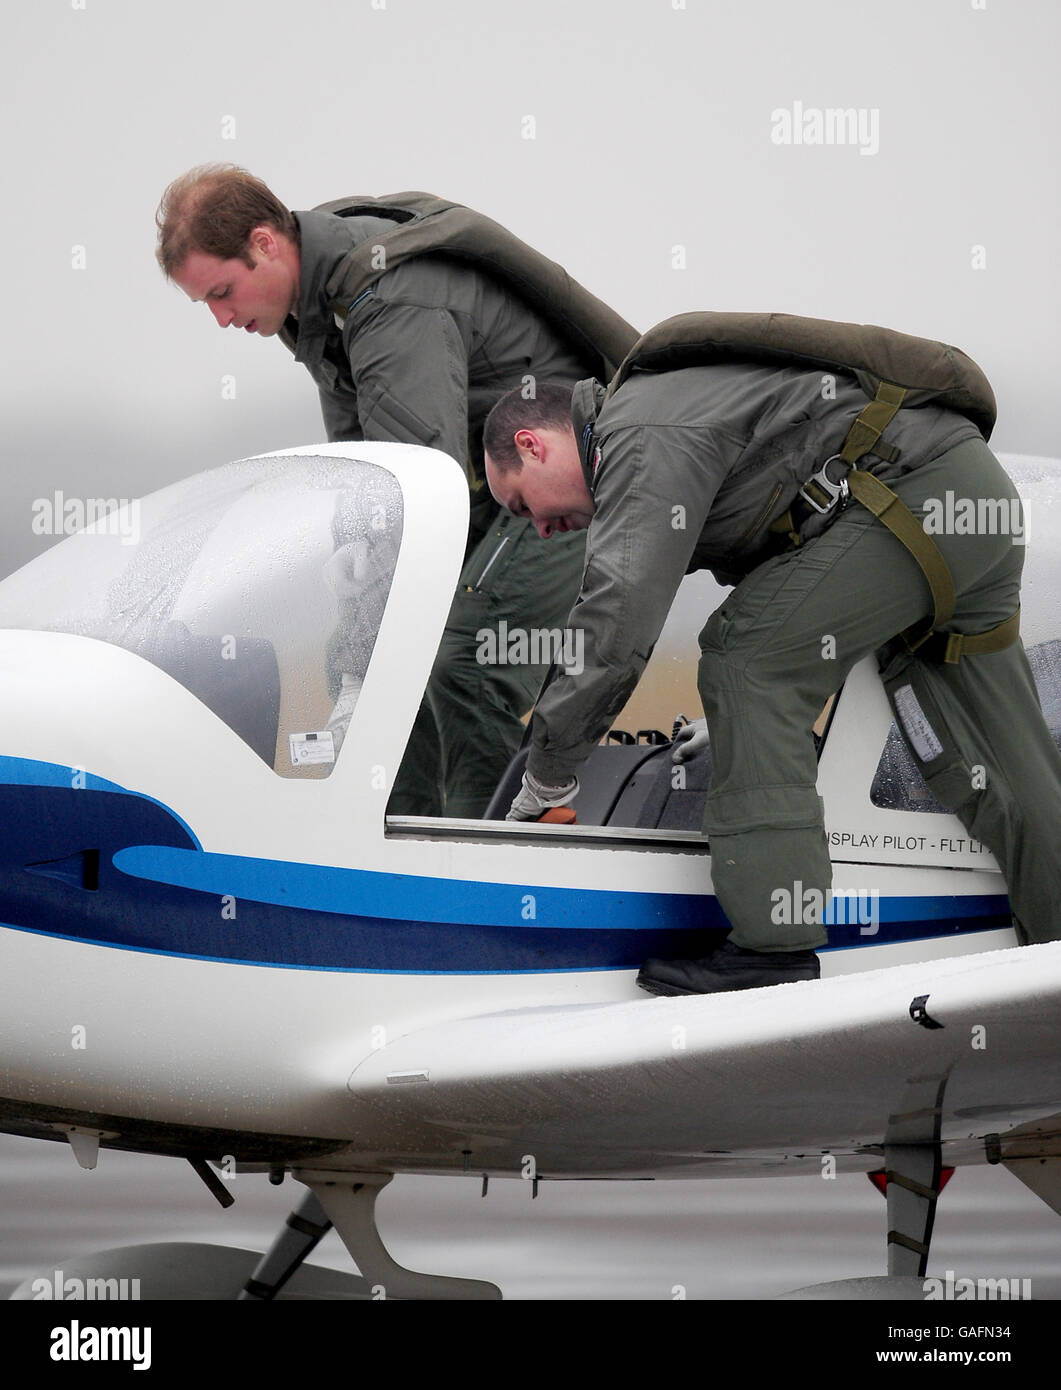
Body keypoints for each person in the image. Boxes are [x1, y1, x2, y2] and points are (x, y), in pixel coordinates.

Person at [482, 341, 1061, 994]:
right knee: (1006, 769)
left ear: (532, 445)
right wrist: (732, 729)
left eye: (521, 505)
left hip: (912, 497)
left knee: (744, 661)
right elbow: (805, 599)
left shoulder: (637, 436)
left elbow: (616, 623)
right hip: (965, 500)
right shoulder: (661, 423)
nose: (540, 530)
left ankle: (771, 947)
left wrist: (549, 776)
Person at [155, 165, 636, 816]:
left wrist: (365, 638)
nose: (220, 318)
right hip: (484, 480)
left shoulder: (386, 293)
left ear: (265, 244)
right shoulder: (319, 306)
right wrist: (354, 651)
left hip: (567, 475)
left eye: (221, 291)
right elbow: (363, 479)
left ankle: (486, 874)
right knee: (375, 667)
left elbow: (418, 484)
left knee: (465, 666)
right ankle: (392, 848)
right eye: (205, 303)